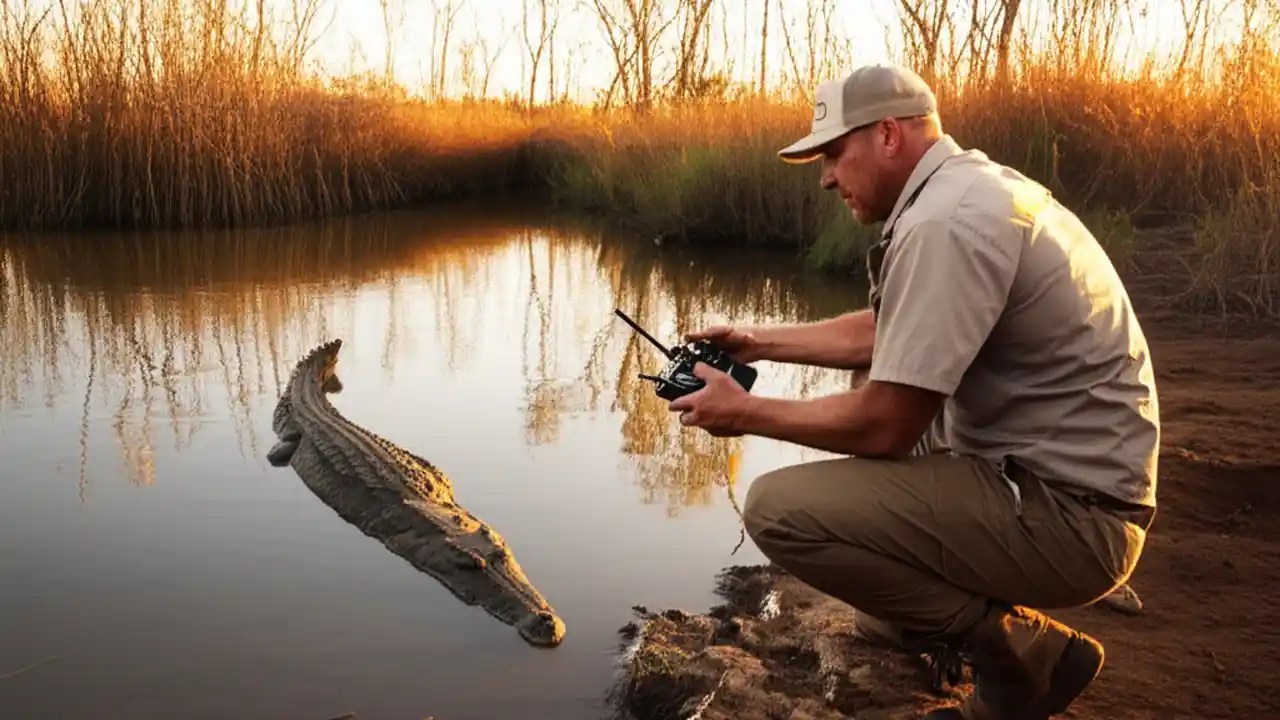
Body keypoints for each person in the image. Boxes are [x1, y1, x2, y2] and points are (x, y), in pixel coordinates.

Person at [668, 63, 1160, 720]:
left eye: (835, 154)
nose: (826, 176)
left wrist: (745, 412)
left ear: (889, 136)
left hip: (1073, 521)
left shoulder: (945, 221)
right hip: (1065, 486)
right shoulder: (968, 191)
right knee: (875, 375)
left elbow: (884, 428)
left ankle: (1018, 654)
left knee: (775, 509)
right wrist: (757, 341)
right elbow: (889, 329)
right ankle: (915, 615)